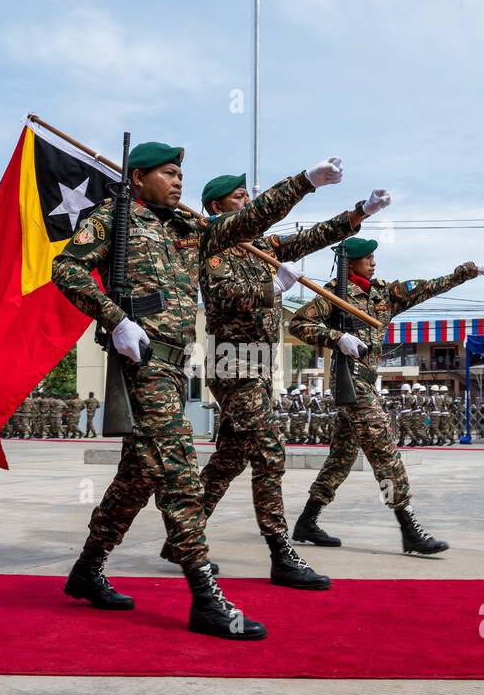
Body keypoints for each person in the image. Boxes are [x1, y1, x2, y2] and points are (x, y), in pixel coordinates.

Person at [52, 141, 343, 639]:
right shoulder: (113, 219)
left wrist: (306, 182)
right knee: (181, 473)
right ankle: (205, 596)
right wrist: (115, 318)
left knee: (138, 477)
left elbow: (245, 225)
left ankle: (86, 569)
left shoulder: (191, 229)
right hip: (141, 364)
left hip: (174, 364)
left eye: (182, 174)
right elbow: (67, 269)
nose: (178, 181)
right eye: (168, 173)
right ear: (138, 177)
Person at [181, 170, 384, 588]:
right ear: (218, 206)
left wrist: (357, 214)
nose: (247, 202)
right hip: (232, 364)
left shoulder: (262, 245)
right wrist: (274, 287)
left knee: (229, 459)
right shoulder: (215, 243)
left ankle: (182, 538)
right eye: (239, 197)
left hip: (257, 365)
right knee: (270, 451)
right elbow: (223, 296)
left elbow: (310, 238)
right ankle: (279, 552)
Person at [290, 237, 484, 554]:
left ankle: (308, 519)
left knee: (341, 458)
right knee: (385, 455)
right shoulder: (333, 295)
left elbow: (429, 286)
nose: (373, 262)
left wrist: (470, 271)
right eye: (367, 258)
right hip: (350, 384)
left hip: (365, 383)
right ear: (351, 263)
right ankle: (408, 526)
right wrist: (336, 337)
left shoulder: (384, 294)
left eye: (374, 257)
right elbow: (298, 322)